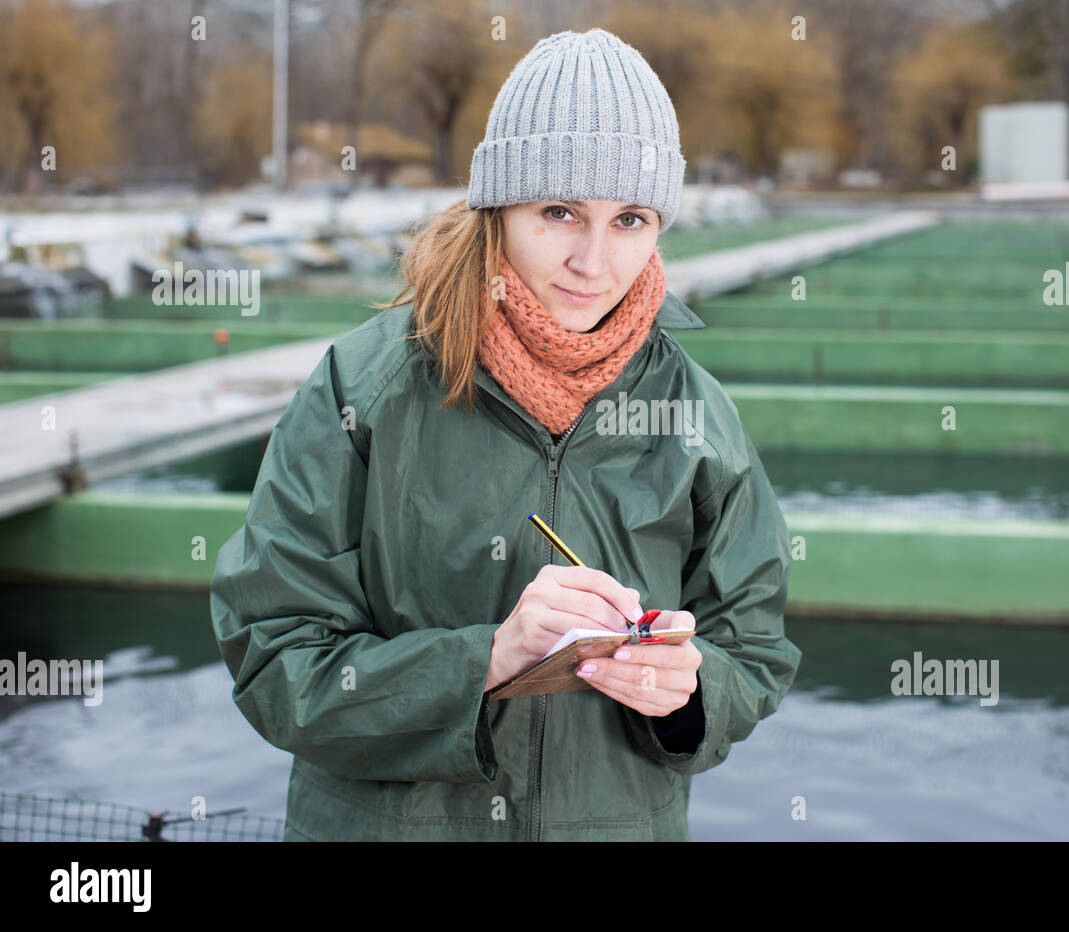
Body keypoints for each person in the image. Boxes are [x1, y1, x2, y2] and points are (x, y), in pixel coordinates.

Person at [210, 26, 801, 842]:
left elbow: (755, 648)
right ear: (499, 208)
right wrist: (485, 661)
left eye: (629, 219)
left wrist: (690, 694)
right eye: (559, 211)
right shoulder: (364, 389)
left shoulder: (695, 417)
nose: (593, 261)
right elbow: (272, 659)